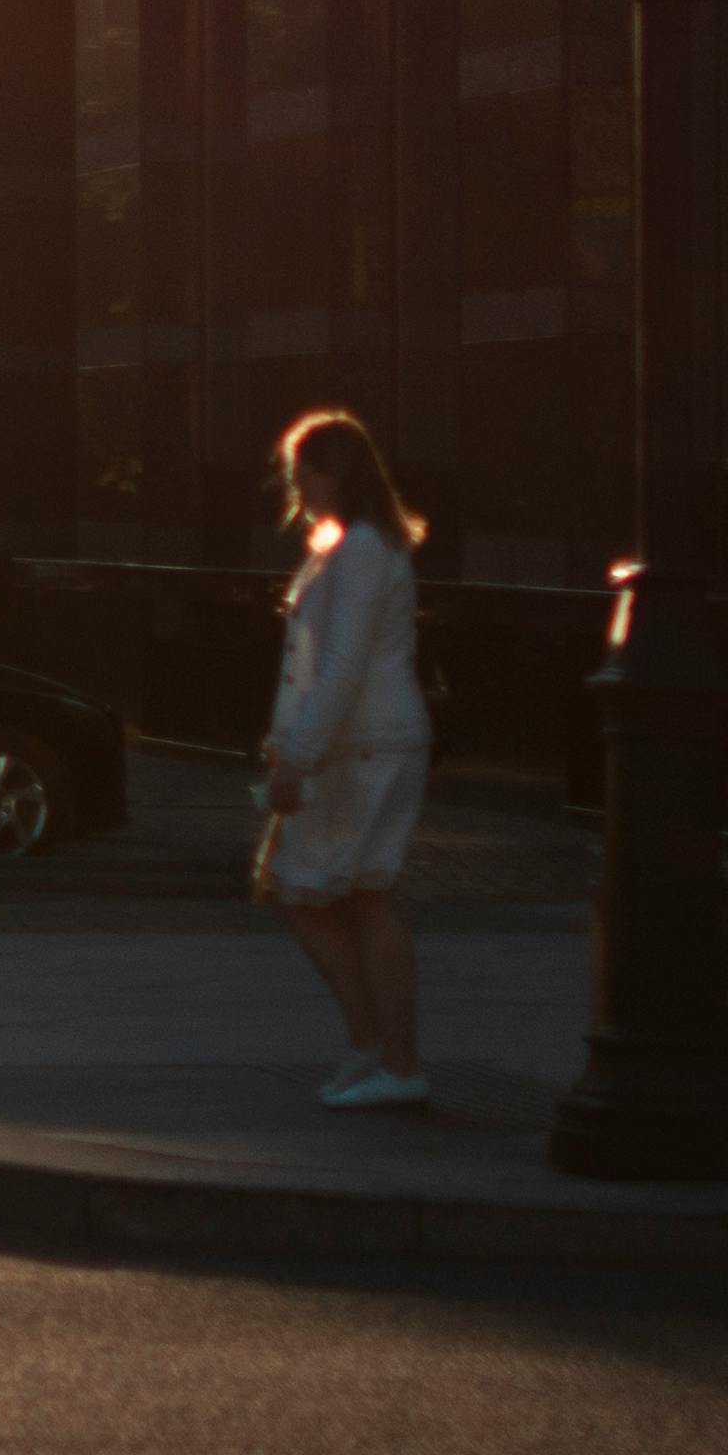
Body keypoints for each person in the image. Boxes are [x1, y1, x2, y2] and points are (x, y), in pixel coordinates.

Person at [259, 406, 434, 1110]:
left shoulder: (359, 548)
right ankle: (382, 1053)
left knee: (311, 890)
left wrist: (296, 755)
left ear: (335, 472)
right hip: (365, 743)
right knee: (358, 896)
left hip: (360, 747)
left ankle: (386, 1054)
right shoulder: (355, 543)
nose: (295, 484)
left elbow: (341, 664)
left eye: (304, 470)